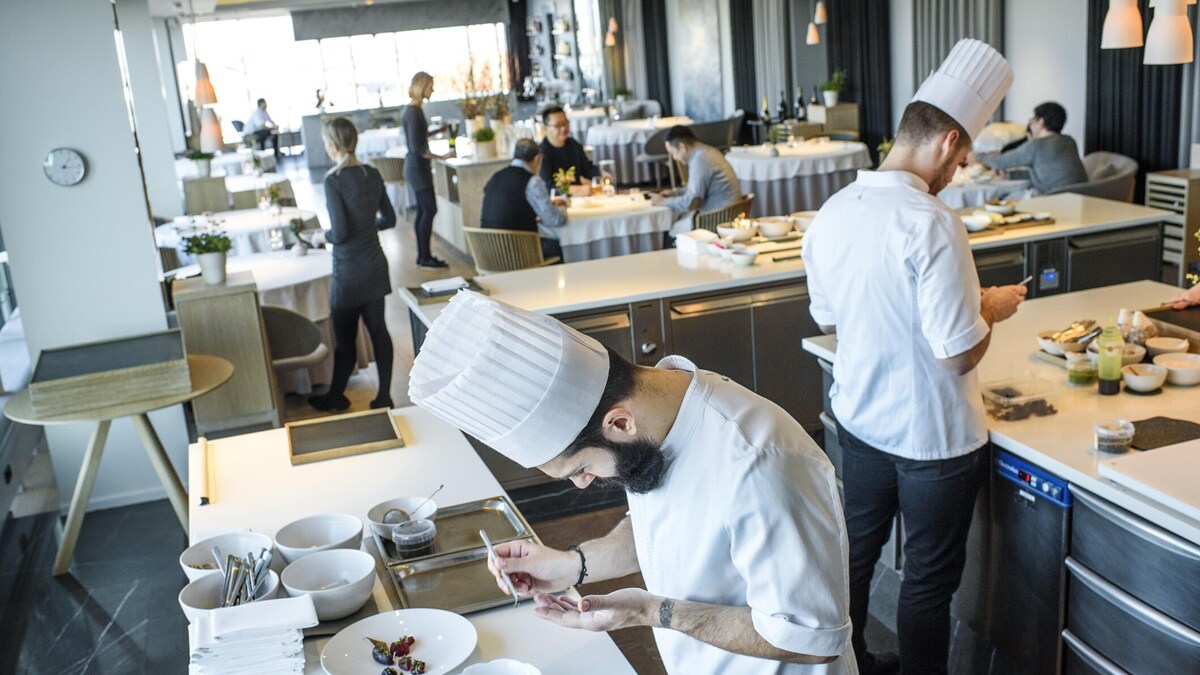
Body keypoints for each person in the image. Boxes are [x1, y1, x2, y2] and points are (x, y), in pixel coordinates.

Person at [409, 291, 855, 675]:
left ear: (619, 422)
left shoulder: (761, 464)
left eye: (579, 467)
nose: (583, 485)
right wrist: (571, 565)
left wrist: (650, 611)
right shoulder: (654, 423)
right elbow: (662, 524)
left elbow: (809, 639)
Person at [801, 39, 1027, 675]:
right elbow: (958, 357)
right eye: (961, 161)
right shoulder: (932, 220)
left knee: (855, 557)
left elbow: (830, 319)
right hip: (933, 441)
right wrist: (990, 310)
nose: (956, 175)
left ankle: (850, 665)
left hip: (861, 423)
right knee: (927, 585)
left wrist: (956, 304)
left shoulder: (831, 212)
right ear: (949, 142)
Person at [307, 117, 396, 412]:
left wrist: (321, 236)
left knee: (344, 340)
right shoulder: (372, 173)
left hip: (349, 272)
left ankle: (335, 398)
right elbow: (390, 219)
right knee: (379, 332)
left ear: (332, 145)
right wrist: (368, 229)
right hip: (374, 264)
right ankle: (384, 396)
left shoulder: (334, 180)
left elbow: (340, 233)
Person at [480, 138, 567, 260]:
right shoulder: (532, 181)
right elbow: (555, 220)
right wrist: (562, 207)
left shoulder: (496, 176)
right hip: (518, 254)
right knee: (558, 245)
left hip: (489, 254)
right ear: (537, 159)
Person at [974, 102, 1088, 194]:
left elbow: (1002, 162)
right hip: (1081, 197)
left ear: (1041, 122)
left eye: (1032, 120)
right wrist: (1011, 175)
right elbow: (1045, 173)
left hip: (1054, 199)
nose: (1030, 125)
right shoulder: (1069, 141)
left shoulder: (1037, 145)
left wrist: (978, 156)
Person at [404, 72, 453, 269]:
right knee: (429, 209)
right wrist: (442, 157)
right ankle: (425, 256)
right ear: (421, 87)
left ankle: (423, 256)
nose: (432, 89)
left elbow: (418, 137)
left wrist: (439, 131)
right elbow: (418, 149)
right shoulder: (414, 112)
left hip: (415, 168)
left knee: (424, 211)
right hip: (418, 169)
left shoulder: (412, 110)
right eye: (430, 86)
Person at [651, 126, 740, 227]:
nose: (675, 158)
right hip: (729, 213)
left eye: (673, 153)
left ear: (682, 147)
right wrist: (675, 192)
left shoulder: (700, 160)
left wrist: (663, 201)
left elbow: (691, 203)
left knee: (668, 227)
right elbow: (699, 190)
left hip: (717, 219)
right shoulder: (707, 151)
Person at [538, 106, 602, 190]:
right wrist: (576, 189)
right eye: (557, 125)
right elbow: (548, 186)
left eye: (565, 123)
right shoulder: (541, 154)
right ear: (545, 128)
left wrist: (601, 173)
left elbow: (586, 170)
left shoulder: (573, 145)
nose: (563, 128)